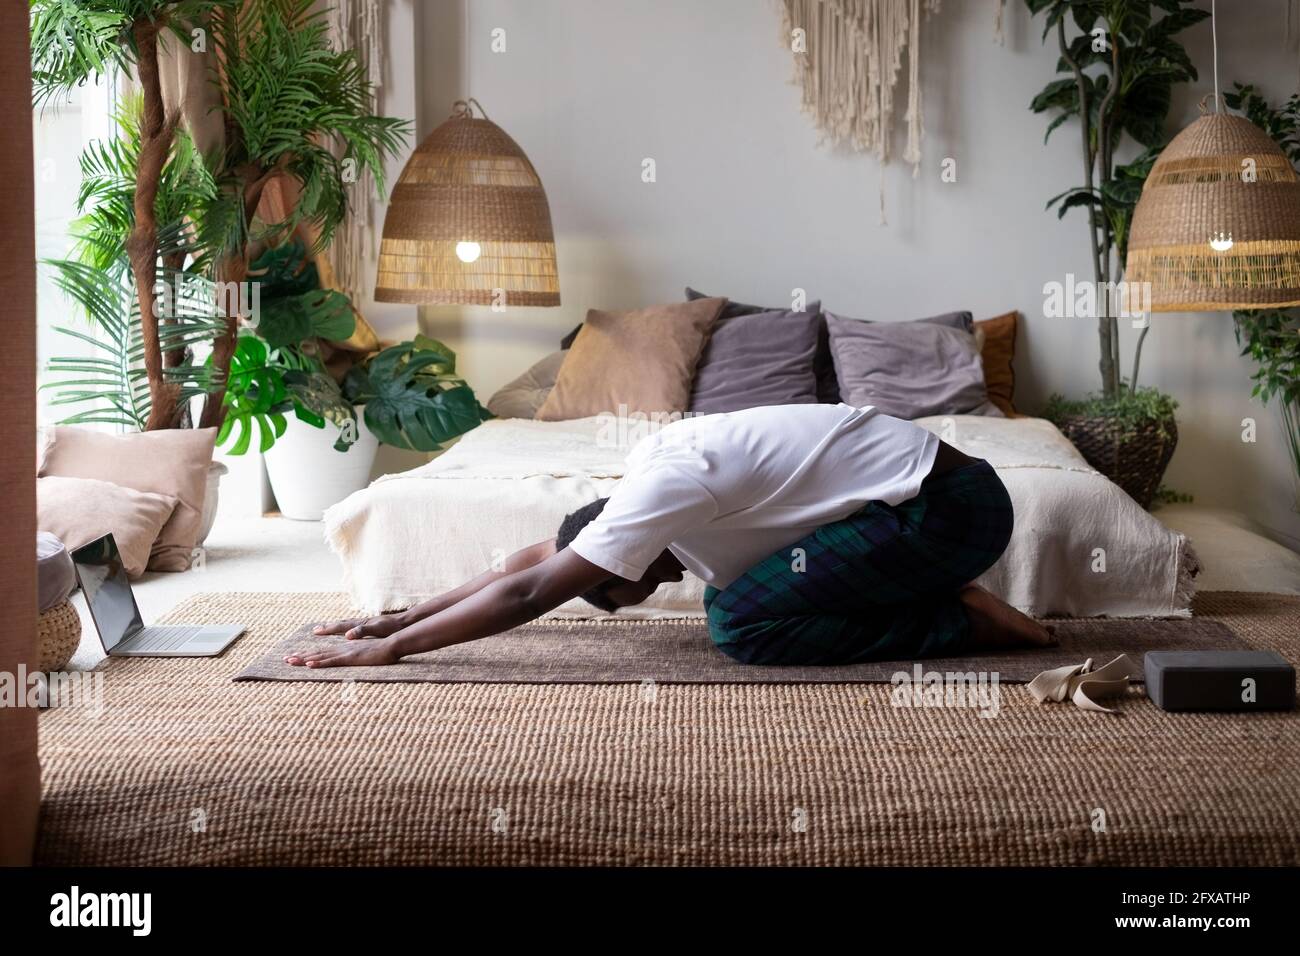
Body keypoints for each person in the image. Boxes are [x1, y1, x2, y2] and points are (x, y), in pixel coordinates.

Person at [288, 404, 1053, 670]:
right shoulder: (638, 496)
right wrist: (400, 615)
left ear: (628, 553)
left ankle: (960, 618)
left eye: (615, 589)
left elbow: (529, 590)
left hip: (951, 510)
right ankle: (930, 588)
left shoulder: (663, 492)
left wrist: (388, 653)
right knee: (747, 593)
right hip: (916, 507)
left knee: (740, 619)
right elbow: (527, 563)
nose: (630, 597)